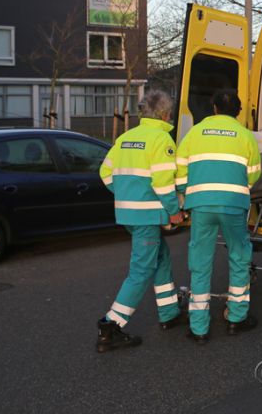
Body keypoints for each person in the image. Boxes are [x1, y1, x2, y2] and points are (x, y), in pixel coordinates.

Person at [96, 90, 185, 353]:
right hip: (147, 215)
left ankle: (169, 312)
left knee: (160, 258)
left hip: (128, 213)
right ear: (165, 114)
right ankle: (110, 325)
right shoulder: (161, 139)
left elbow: (105, 173)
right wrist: (173, 210)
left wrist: (127, 196)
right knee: (141, 269)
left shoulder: (125, 138)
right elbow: (163, 183)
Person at [177, 91, 261, 344]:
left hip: (201, 204)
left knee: (200, 262)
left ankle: (198, 328)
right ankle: (236, 318)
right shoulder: (245, 135)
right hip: (233, 205)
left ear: (214, 108)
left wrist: (184, 195)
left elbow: (180, 171)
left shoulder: (194, 133)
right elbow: (254, 174)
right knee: (239, 257)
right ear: (237, 112)